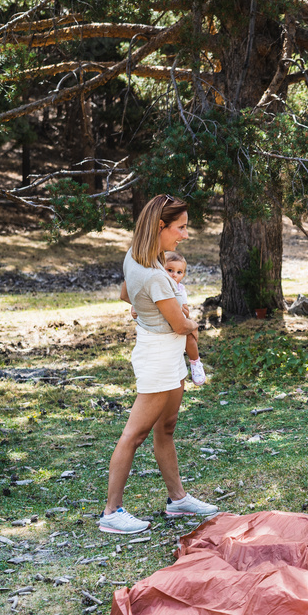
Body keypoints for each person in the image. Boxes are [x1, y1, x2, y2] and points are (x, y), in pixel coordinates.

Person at [99, 194, 217, 534]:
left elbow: (125, 295)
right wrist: (193, 323)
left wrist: (149, 310)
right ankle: (111, 512)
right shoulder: (154, 275)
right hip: (157, 357)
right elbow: (181, 325)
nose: (184, 234)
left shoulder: (141, 259)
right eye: (180, 228)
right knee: (134, 434)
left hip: (168, 354)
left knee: (166, 427)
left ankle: (177, 499)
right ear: (160, 225)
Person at [163, 251, 207, 386]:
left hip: (178, 319)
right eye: (170, 270)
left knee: (190, 335)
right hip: (163, 322)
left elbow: (186, 311)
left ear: (183, 275)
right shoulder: (158, 286)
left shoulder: (180, 289)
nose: (174, 275)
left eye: (179, 272)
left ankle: (195, 362)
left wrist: (182, 310)